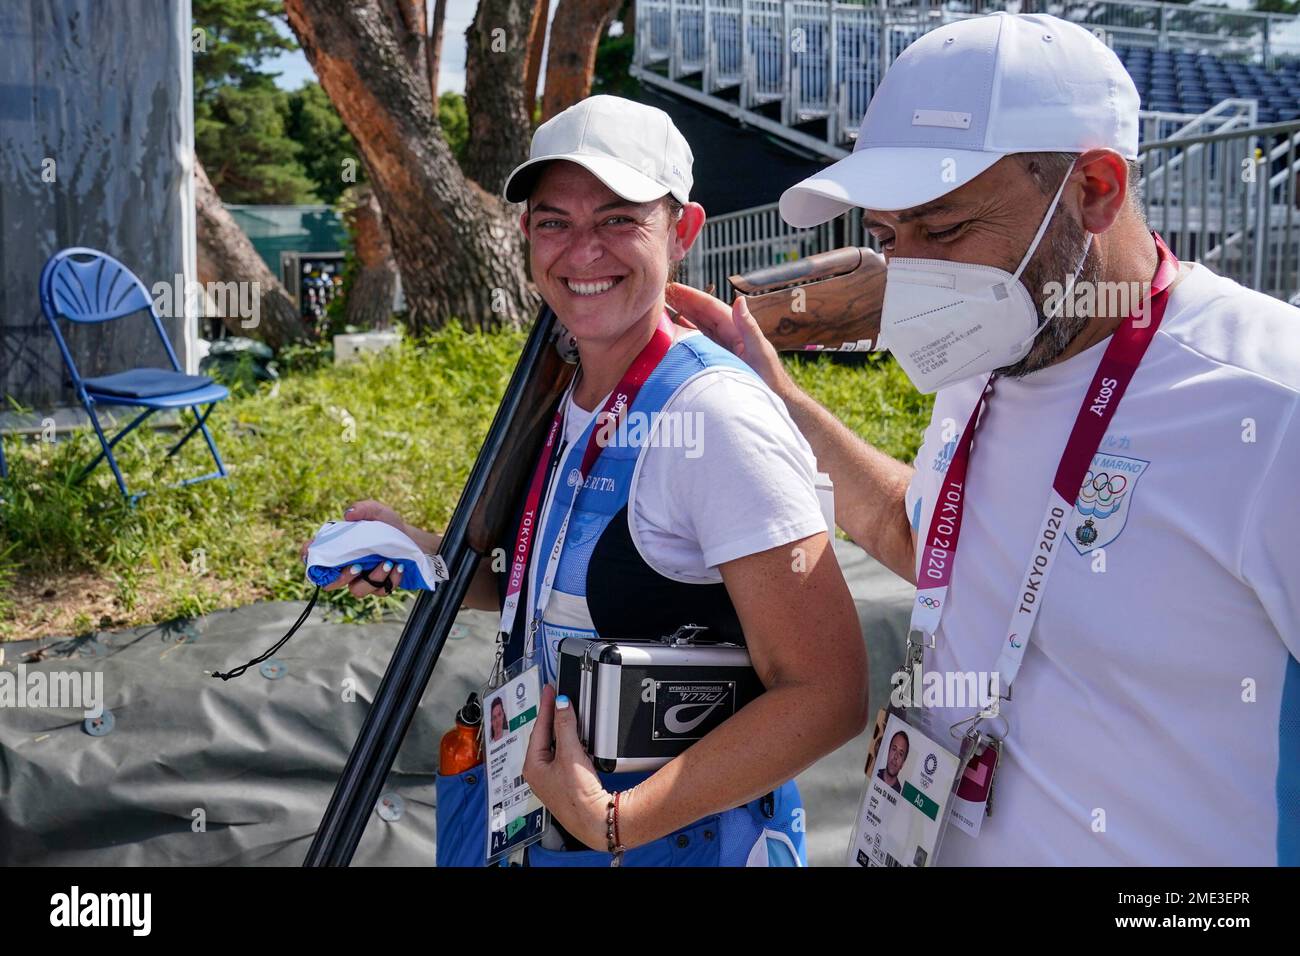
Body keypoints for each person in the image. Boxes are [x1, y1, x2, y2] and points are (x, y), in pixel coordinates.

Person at [670, 13, 1300, 865]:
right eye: (891, 238)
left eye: (947, 229)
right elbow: (925, 537)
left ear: (1097, 189)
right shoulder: (995, 342)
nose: (920, 275)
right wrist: (775, 396)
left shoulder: (1270, 401)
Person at [306, 95, 868, 866]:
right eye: (553, 221)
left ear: (684, 232)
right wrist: (429, 557)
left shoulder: (717, 417)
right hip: (558, 833)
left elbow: (828, 694)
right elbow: (552, 586)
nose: (582, 251)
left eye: (617, 219)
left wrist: (617, 819)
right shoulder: (563, 390)